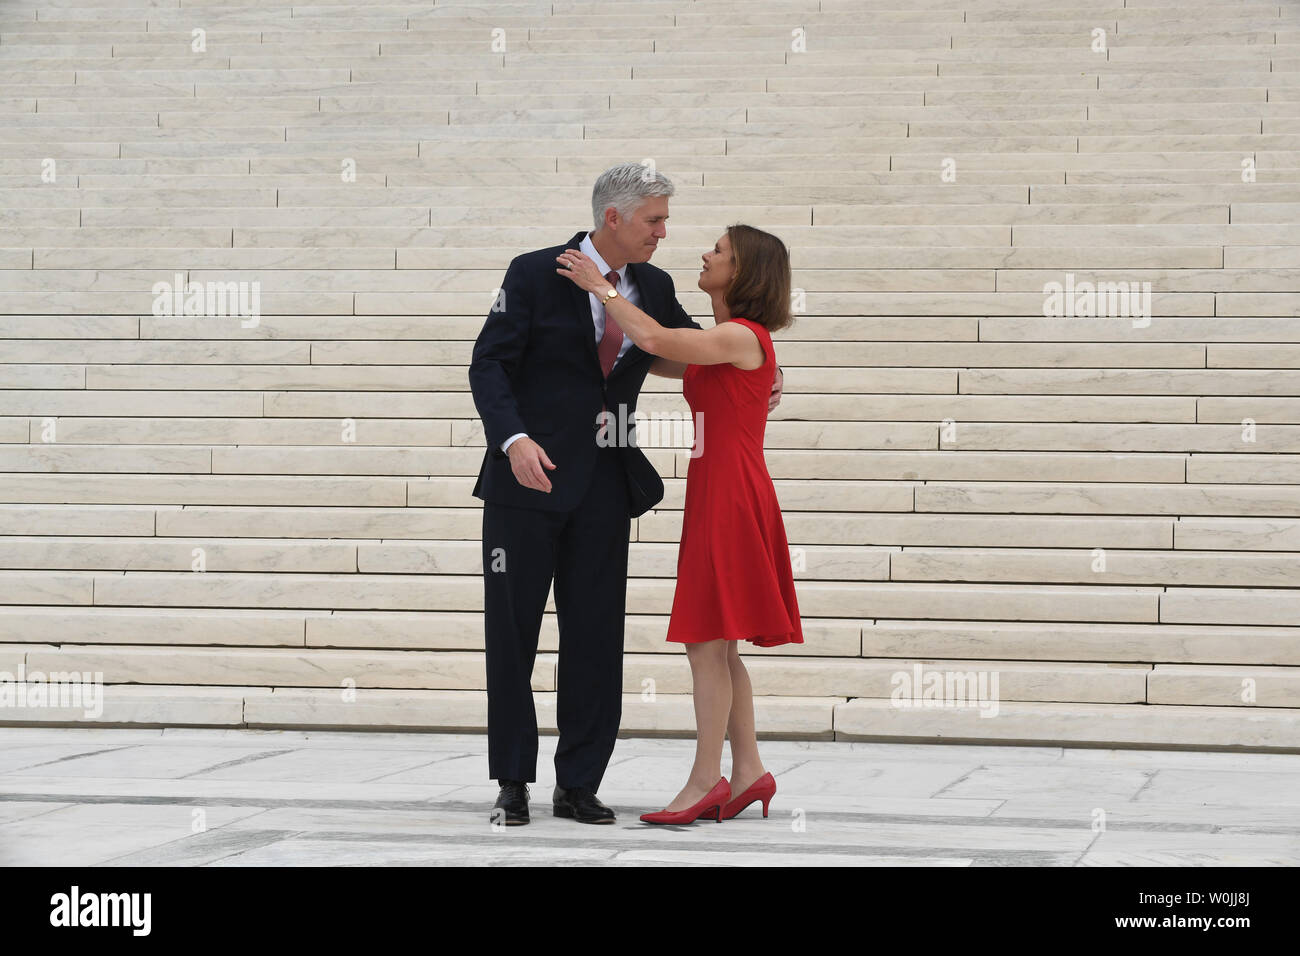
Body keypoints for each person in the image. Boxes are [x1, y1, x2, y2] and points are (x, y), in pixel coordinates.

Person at [468, 164, 785, 826]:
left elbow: (685, 347)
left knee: (595, 639)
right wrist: (513, 439)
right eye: (654, 221)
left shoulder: (654, 286)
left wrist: (764, 380)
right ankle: (513, 783)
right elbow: (489, 363)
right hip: (525, 481)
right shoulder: (531, 273)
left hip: (606, 486)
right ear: (614, 219)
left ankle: (579, 783)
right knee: (513, 636)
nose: (665, 233)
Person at [555, 223, 803, 826]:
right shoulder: (726, 341)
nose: (704, 254)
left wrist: (601, 286)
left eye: (719, 252)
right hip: (719, 490)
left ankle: (703, 781)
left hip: (733, 497)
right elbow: (656, 352)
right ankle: (747, 772)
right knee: (722, 644)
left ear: (743, 273)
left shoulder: (742, 336)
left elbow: (655, 332)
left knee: (705, 643)